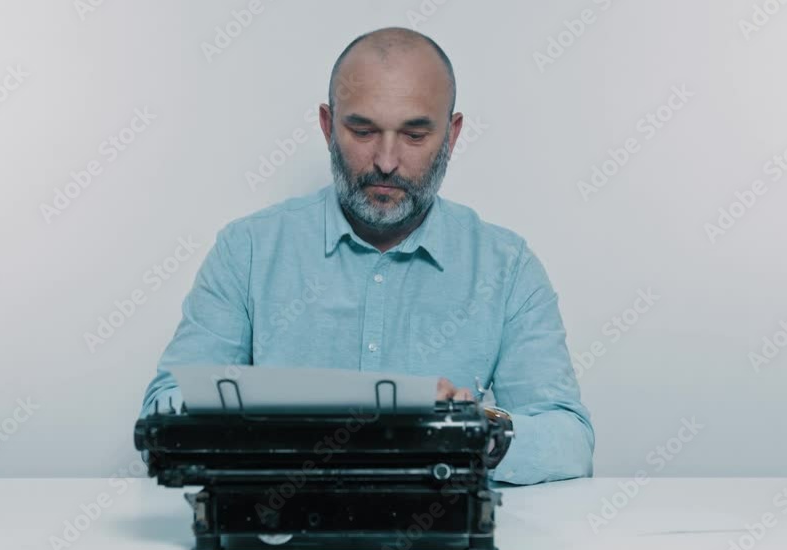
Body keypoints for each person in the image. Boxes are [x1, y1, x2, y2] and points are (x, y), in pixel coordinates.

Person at [140, 27, 594, 485]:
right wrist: (276, 418)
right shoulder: (249, 250)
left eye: (415, 135)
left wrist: (474, 429)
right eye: (362, 130)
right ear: (327, 126)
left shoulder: (507, 267)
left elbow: (569, 442)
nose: (386, 161)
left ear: (452, 135)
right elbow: (164, 411)